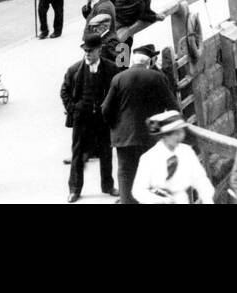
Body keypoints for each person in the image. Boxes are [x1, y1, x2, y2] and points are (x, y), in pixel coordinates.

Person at [102, 44, 180, 204]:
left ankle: (126, 200)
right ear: (148, 63)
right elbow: (173, 108)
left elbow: (106, 109)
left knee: (125, 172)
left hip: (124, 137)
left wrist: (116, 127)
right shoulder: (157, 77)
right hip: (150, 136)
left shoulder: (118, 78)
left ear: (132, 62)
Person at [61, 34, 119, 201]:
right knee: (78, 154)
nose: (87, 54)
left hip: (102, 119)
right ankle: (74, 190)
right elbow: (64, 91)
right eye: (85, 50)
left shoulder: (111, 68)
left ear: (99, 50)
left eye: (91, 51)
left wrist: (110, 111)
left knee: (106, 152)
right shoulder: (74, 70)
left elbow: (116, 92)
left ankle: (108, 185)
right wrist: (73, 109)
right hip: (82, 120)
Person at [133, 110, 214, 204]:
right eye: (175, 134)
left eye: (181, 132)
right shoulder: (149, 158)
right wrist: (161, 200)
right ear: (164, 136)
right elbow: (138, 190)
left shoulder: (186, 152)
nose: (180, 137)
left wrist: (207, 198)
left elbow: (200, 179)